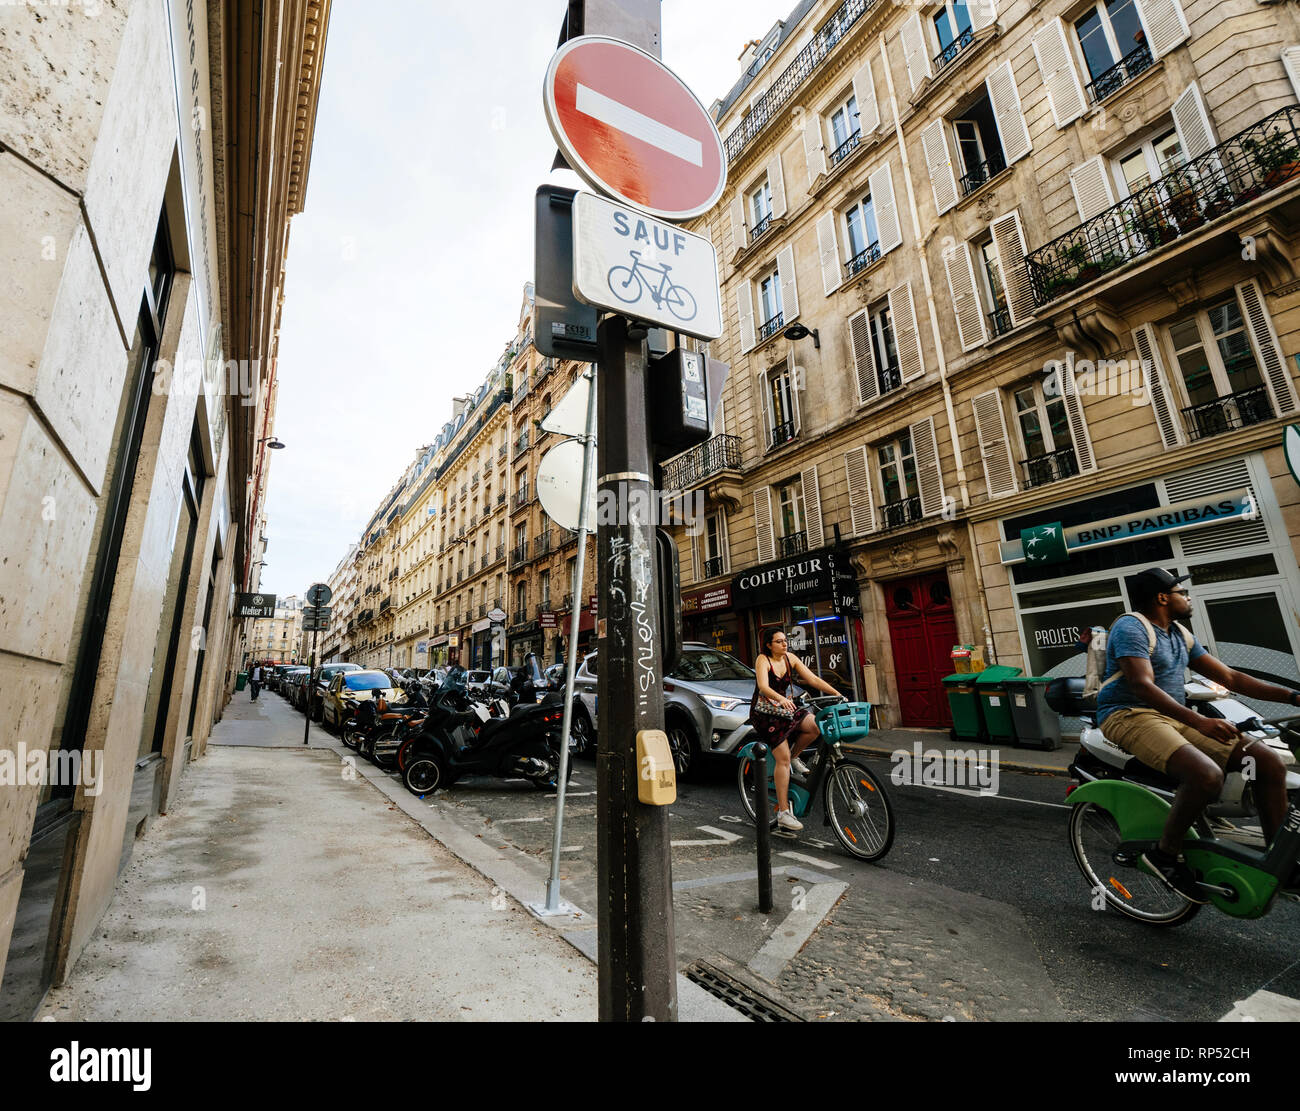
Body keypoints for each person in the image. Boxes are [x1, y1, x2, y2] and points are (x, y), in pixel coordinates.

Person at [1097, 568, 1299, 901]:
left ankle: (1281, 865)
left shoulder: (1180, 634)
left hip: (1171, 716)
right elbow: (1141, 685)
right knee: (1206, 775)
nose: (1188, 598)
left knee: (1267, 763)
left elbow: (1231, 678)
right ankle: (1164, 854)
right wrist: (1199, 721)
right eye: (1181, 592)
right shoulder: (1131, 627)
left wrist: (1292, 696)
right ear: (1162, 597)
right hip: (1129, 714)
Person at [750, 628, 844, 831]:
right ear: (769, 645)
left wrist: (837, 693)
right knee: (781, 758)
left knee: (814, 727)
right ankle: (784, 812)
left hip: (786, 709)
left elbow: (813, 679)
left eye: (785, 641)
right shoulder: (763, 660)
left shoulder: (789, 658)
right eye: (779, 642)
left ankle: (795, 756)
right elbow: (763, 687)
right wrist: (782, 698)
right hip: (766, 713)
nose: (784, 644)